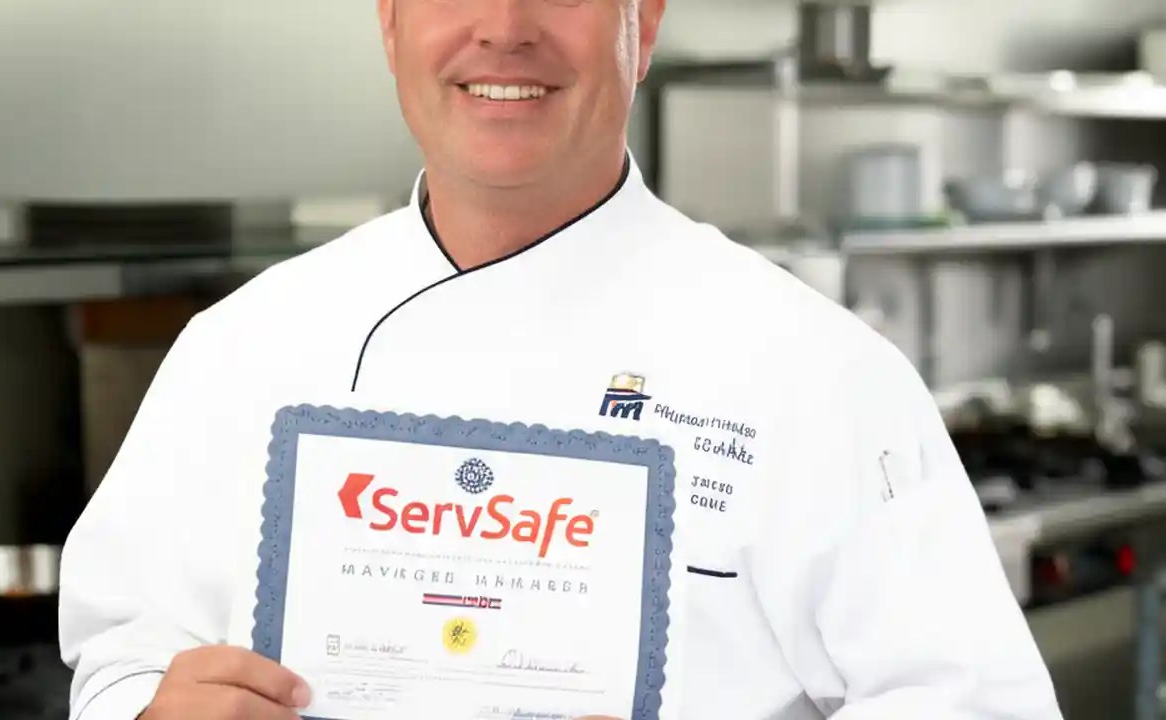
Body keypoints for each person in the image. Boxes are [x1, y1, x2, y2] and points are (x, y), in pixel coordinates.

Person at [59, 0, 1064, 718]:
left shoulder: (820, 374)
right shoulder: (240, 346)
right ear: (388, 20)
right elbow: (123, 652)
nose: (504, 24)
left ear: (647, 19)